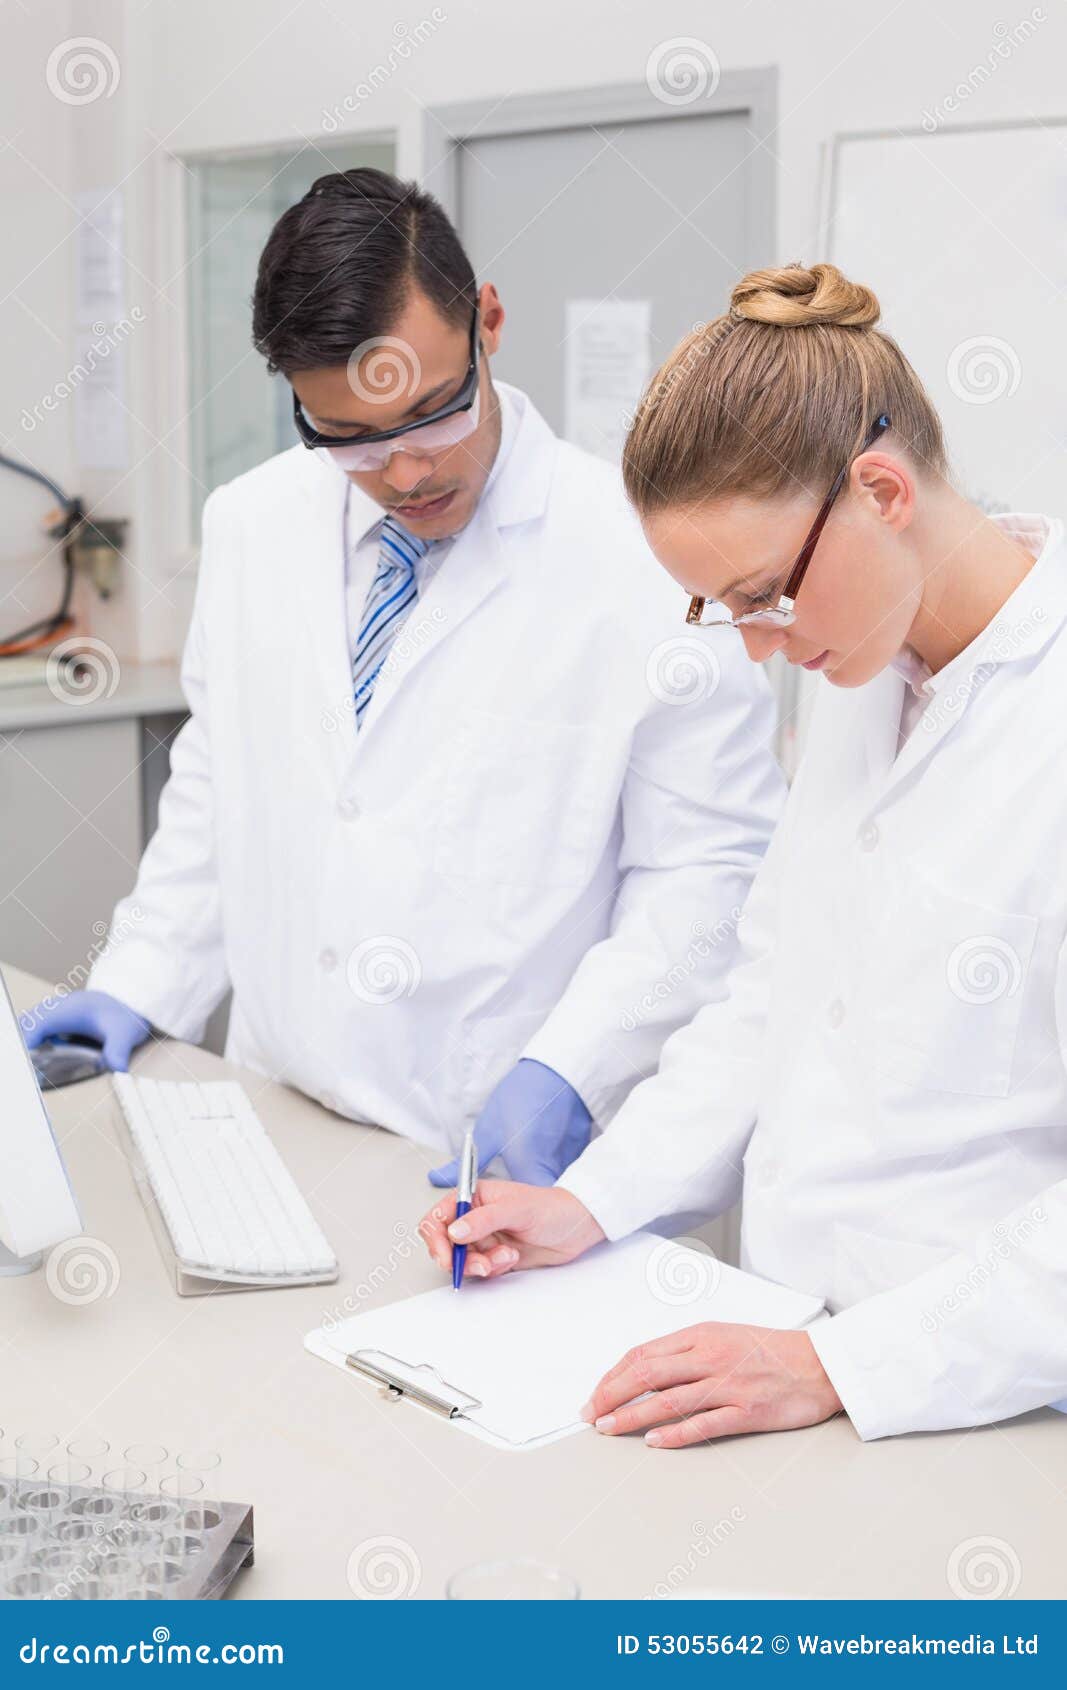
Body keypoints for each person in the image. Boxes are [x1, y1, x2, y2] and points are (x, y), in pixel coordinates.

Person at [23, 170, 784, 1186]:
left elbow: (707, 871)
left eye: (433, 413)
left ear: (490, 324)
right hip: (273, 1110)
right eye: (349, 440)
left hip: (482, 1150)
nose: (408, 472)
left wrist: (570, 1069)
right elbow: (219, 780)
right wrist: (143, 977)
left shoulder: (644, 558)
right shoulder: (251, 524)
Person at [420, 261, 1067, 1443]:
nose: (760, 651)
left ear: (879, 491)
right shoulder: (864, 668)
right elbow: (770, 994)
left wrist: (844, 1365)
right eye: (725, 611)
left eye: (766, 596)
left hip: (984, 1412)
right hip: (782, 1350)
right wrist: (592, 1201)